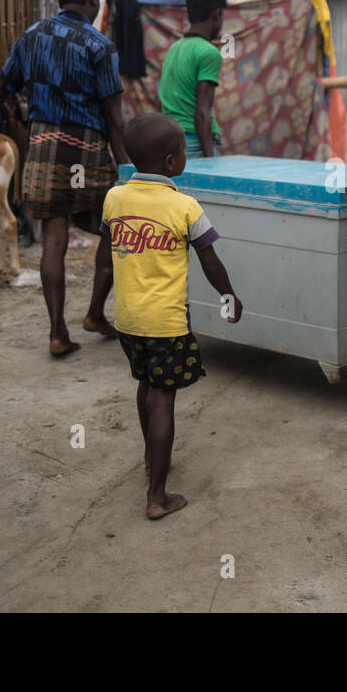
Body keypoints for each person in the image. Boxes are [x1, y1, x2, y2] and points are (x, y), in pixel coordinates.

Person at [0, 0, 125, 357]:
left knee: (53, 241)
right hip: (87, 153)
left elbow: (2, 85)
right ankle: (94, 313)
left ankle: (57, 333)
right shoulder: (99, 46)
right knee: (113, 229)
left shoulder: (30, 37)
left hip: (43, 148)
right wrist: (126, 168)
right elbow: (114, 117)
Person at [102, 113, 242, 519]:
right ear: (170, 162)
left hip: (127, 320)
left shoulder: (114, 198)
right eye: (181, 151)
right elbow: (210, 261)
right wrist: (229, 295)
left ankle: (152, 460)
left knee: (146, 387)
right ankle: (157, 496)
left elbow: (109, 247)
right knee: (164, 401)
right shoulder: (184, 206)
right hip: (166, 324)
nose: (184, 157)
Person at [158, 0, 228, 157]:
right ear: (216, 15)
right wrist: (210, 162)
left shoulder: (175, 47)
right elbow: (202, 114)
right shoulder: (209, 53)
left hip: (170, 140)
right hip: (193, 142)